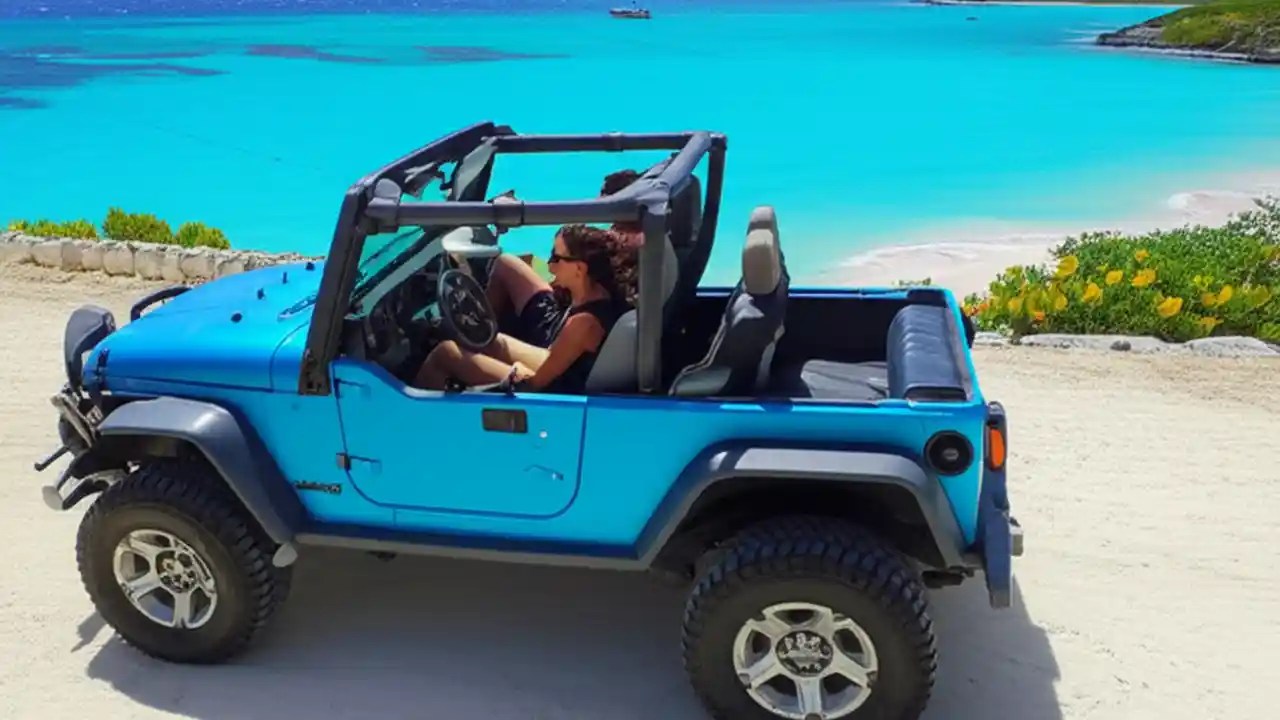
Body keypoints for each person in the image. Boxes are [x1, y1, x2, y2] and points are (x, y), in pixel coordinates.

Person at [414, 224, 634, 393]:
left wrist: (508, 371)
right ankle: (474, 333)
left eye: (556, 258)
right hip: (557, 352)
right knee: (487, 339)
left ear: (579, 268)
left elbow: (538, 383)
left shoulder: (584, 324)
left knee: (446, 353)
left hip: (551, 389)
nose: (549, 264)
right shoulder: (594, 290)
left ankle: (414, 422)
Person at [482, 168, 641, 346]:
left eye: (606, 203)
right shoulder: (642, 241)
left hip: (562, 325)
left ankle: (480, 335)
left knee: (506, 265)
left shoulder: (623, 244)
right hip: (572, 311)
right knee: (524, 262)